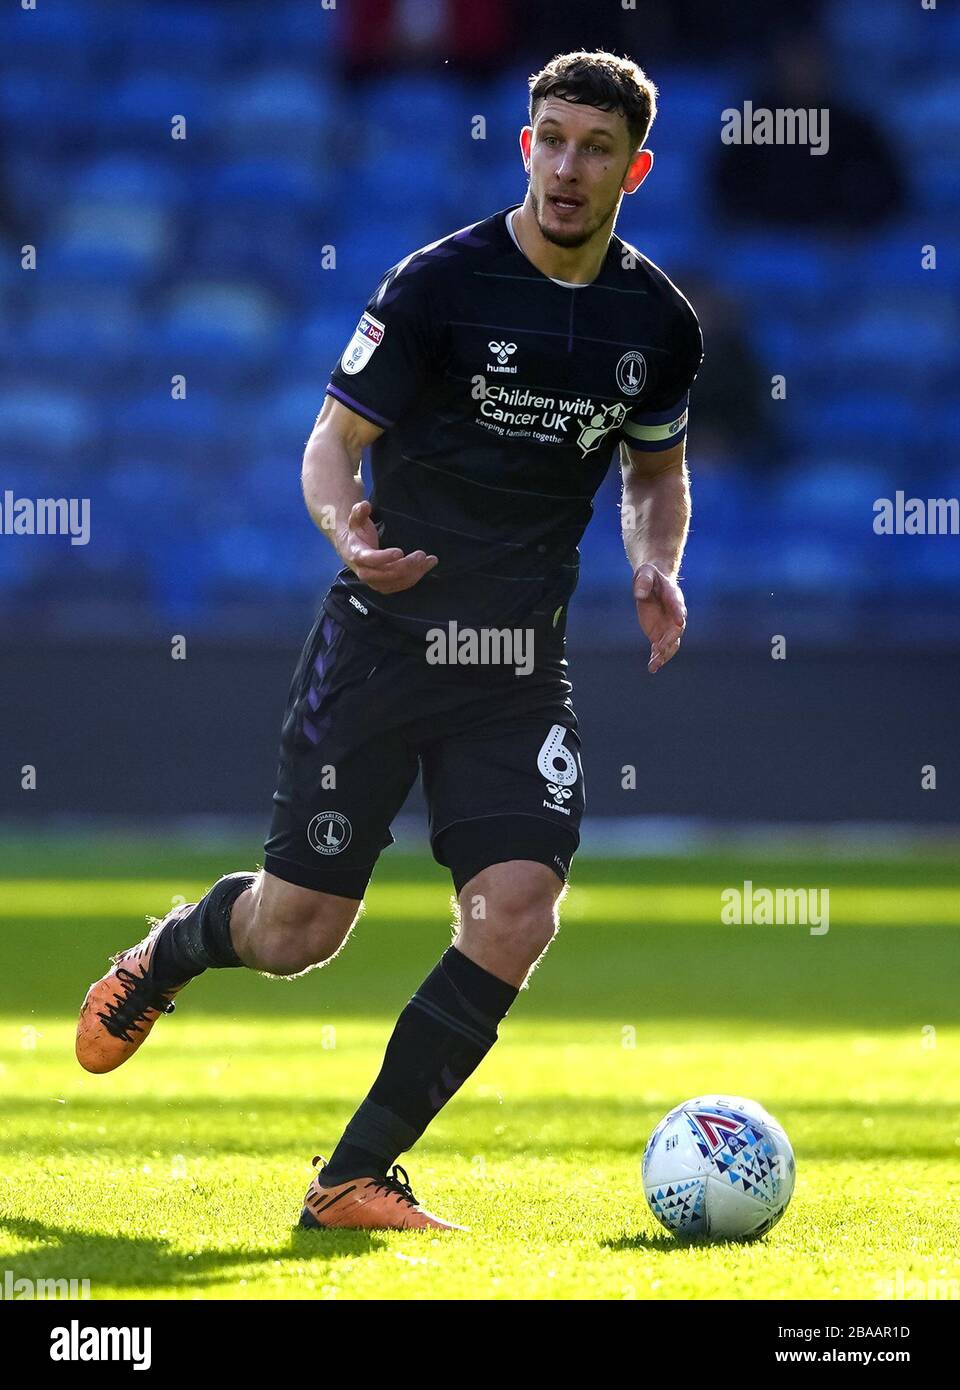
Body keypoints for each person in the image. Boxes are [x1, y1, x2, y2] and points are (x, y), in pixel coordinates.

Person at [76, 49, 703, 1232]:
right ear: (527, 147)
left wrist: (654, 559)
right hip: (383, 643)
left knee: (517, 910)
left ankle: (352, 1175)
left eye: (597, 148)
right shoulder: (437, 285)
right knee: (296, 934)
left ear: (636, 167)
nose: (570, 166)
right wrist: (343, 533)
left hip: (516, 668)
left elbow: (656, 473)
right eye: (552, 140)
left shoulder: (656, 324)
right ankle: (173, 949)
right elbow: (330, 443)